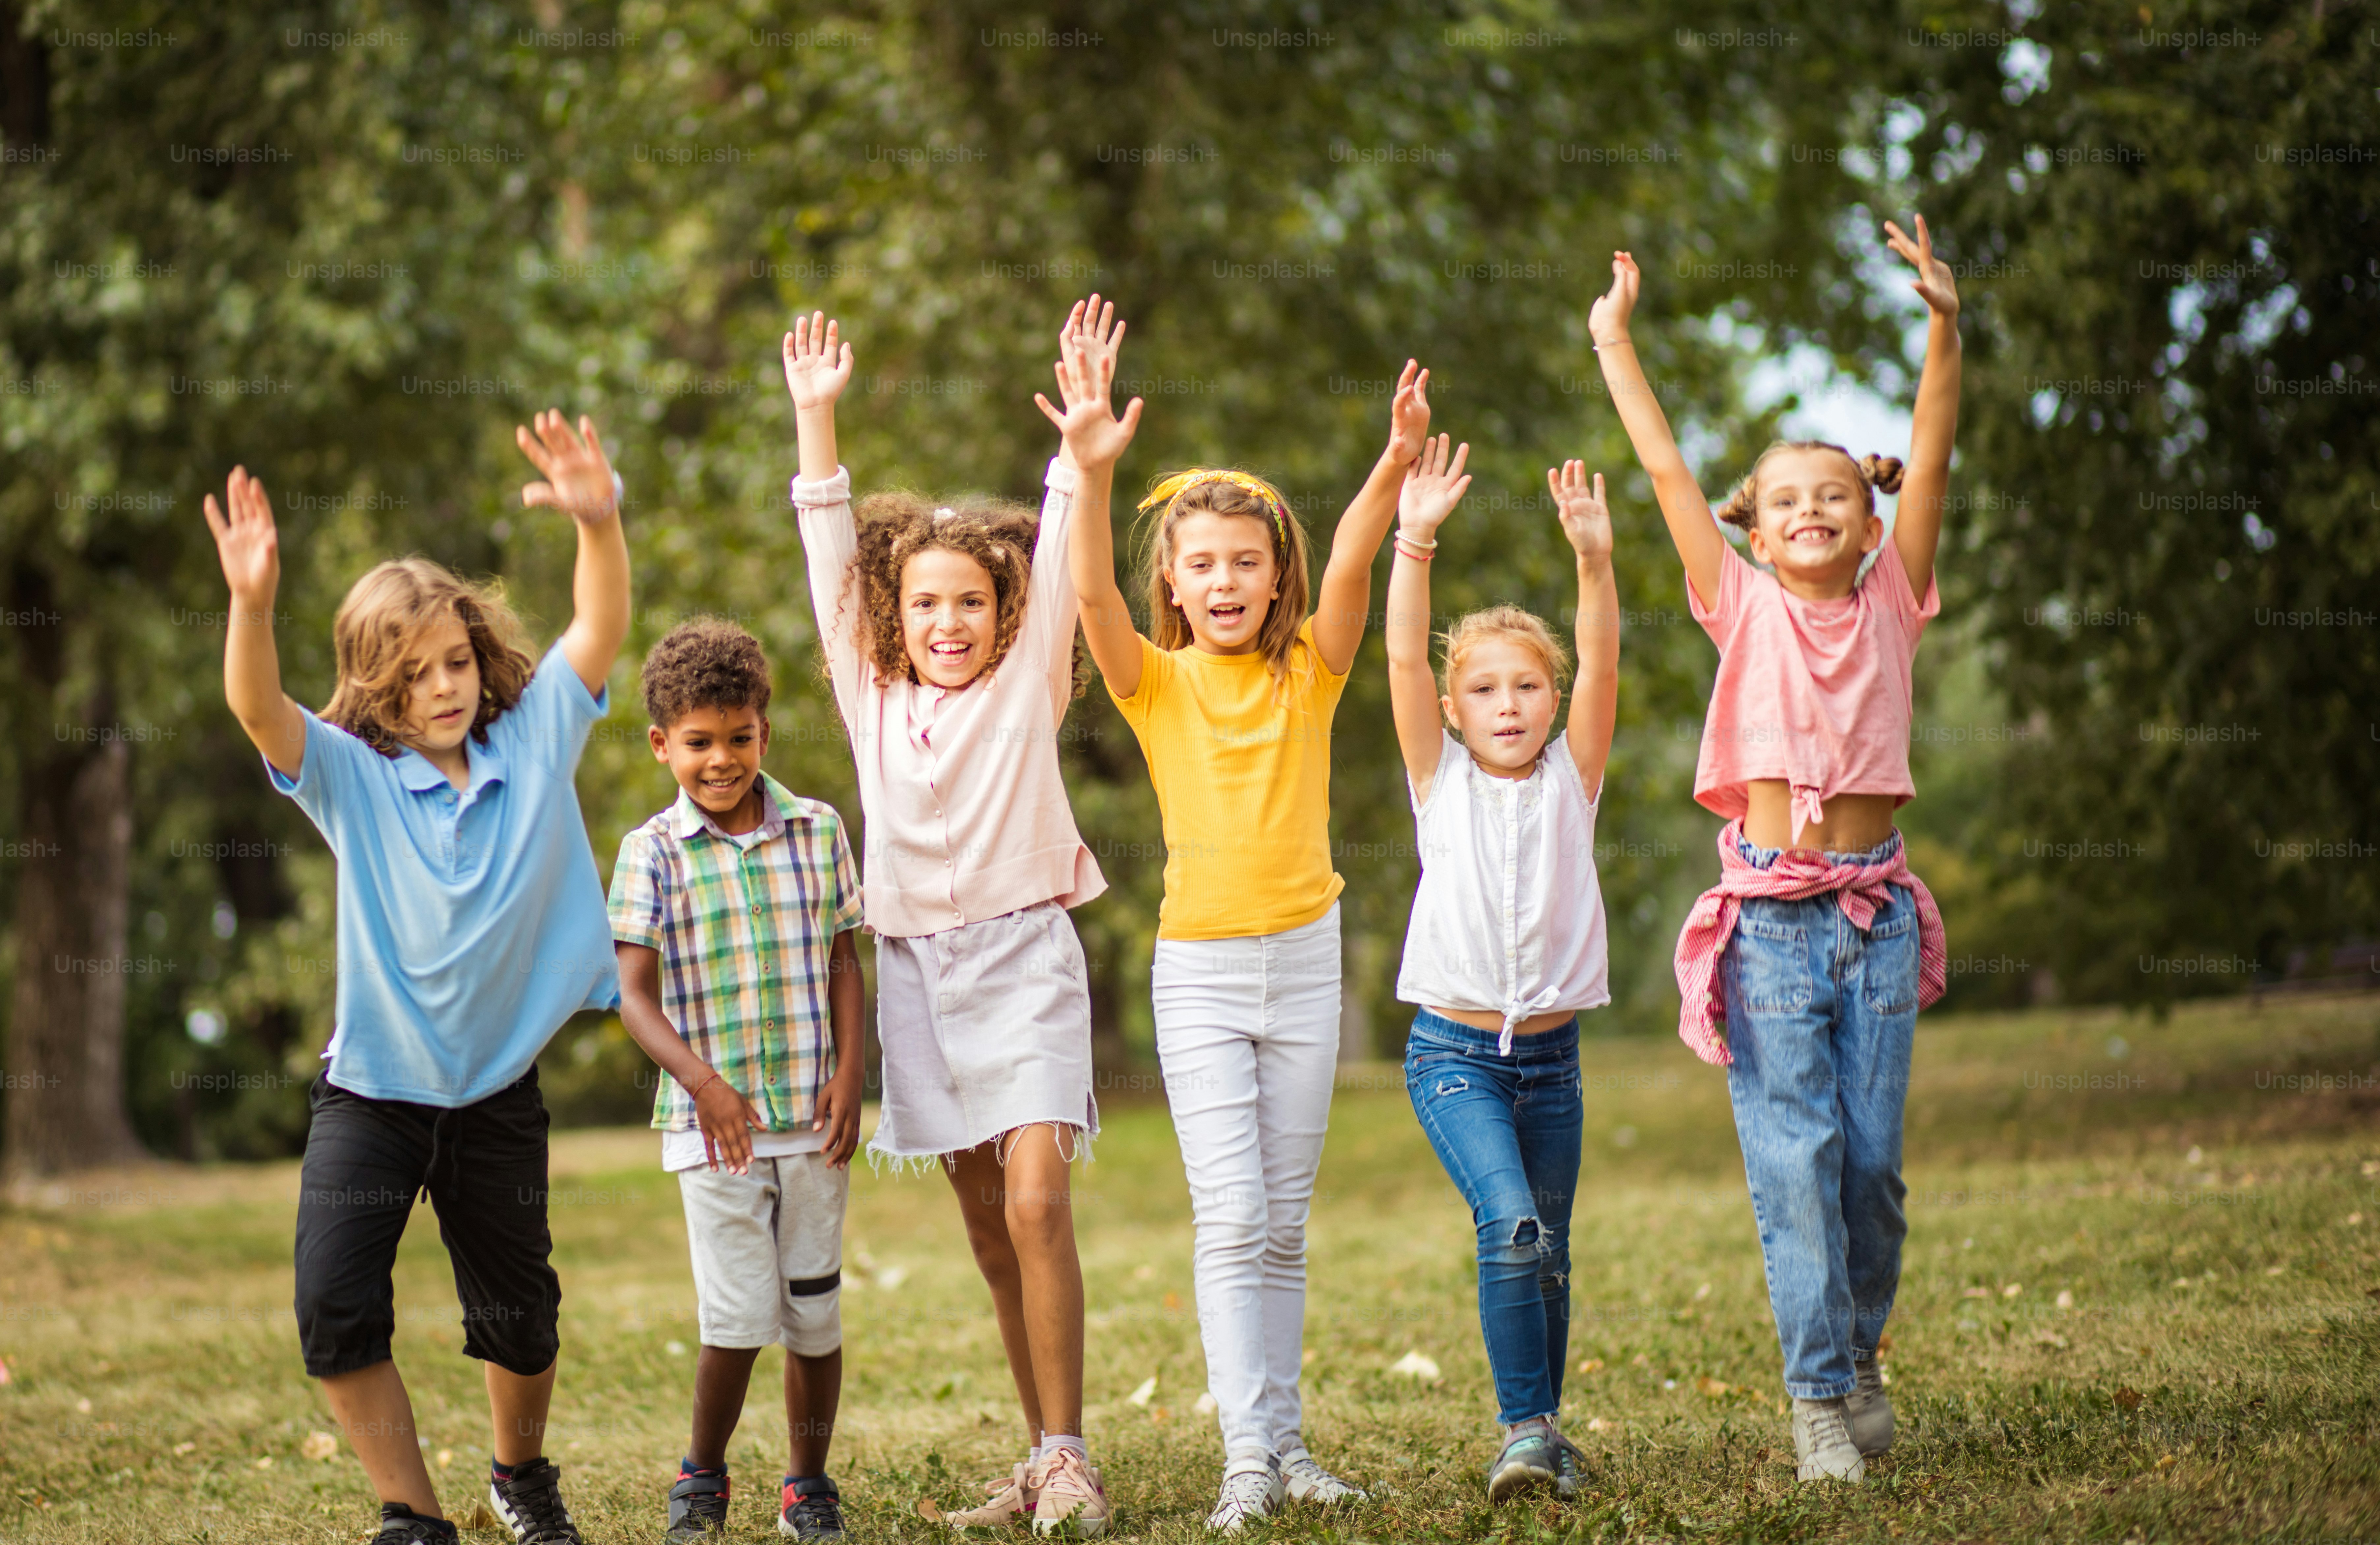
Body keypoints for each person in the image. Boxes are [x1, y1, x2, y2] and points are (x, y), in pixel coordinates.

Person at [204, 412, 630, 1545]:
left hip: (494, 1094)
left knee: (520, 1323)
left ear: (479, 656)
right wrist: (251, 602)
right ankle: (413, 1515)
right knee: (334, 1306)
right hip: (377, 1092)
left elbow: (599, 622)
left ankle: (521, 1478)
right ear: (375, 688)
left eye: (455, 661)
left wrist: (599, 520)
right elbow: (257, 707)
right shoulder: (351, 780)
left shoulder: (535, 742)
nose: (442, 687)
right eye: (413, 674)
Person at [1590, 218, 1961, 1482]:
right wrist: (1614, 342)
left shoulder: (1896, 602)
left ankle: (1862, 1352)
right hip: (1772, 928)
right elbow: (1666, 475)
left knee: (1872, 1169)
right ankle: (1817, 1397)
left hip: (1875, 914)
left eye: (1836, 496)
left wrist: (1943, 327)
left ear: (1871, 525)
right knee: (1792, 1160)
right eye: (1785, 498)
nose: (1811, 510)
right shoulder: (1737, 602)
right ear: (1756, 534)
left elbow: (1937, 447)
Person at [1059, 314, 1429, 1531]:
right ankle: (1244, 1466)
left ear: (1278, 574)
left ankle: (1287, 1444)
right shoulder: (1150, 678)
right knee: (1231, 1215)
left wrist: (1390, 461)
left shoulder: (1309, 669)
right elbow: (1091, 588)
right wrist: (1095, 459)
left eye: (1245, 563)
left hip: (1306, 964)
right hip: (1203, 972)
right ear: (1176, 577)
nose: (1223, 583)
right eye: (1201, 564)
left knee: (1283, 1220)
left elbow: (1362, 562)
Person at [787, 303, 1114, 1536]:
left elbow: (1068, 536)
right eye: (925, 605)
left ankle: (1075, 1454)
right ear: (896, 616)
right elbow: (828, 548)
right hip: (921, 971)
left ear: (1003, 607)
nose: (947, 623)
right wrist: (817, 414)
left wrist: (1079, 449)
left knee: (1037, 1204)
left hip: (1027, 958)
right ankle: (1040, 1455)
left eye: (970, 601)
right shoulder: (869, 696)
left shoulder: (1034, 673)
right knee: (988, 1233)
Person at [1384, 438, 1619, 1502]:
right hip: (1454, 1053)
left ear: (1554, 698)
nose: (1510, 702)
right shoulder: (1439, 781)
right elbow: (1397, 658)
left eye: (1529, 685)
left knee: (1552, 1251)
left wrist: (1595, 562)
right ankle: (1523, 1430)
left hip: (1553, 1064)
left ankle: (1545, 1433)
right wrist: (1416, 538)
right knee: (1512, 1223)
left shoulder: (1576, 777)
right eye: (1485, 688)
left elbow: (1607, 663)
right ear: (1455, 707)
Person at [610, 619, 864, 1541]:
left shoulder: (818, 828)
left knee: (814, 1312)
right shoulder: (653, 852)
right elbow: (634, 996)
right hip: (710, 1130)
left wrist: (850, 1074)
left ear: (765, 726)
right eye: (699, 743)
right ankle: (704, 1471)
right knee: (736, 1316)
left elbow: (843, 962)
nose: (722, 760)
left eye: (740, 737)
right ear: (662, 744)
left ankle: (808, 1483)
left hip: (811, 1118)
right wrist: (706, 1084)